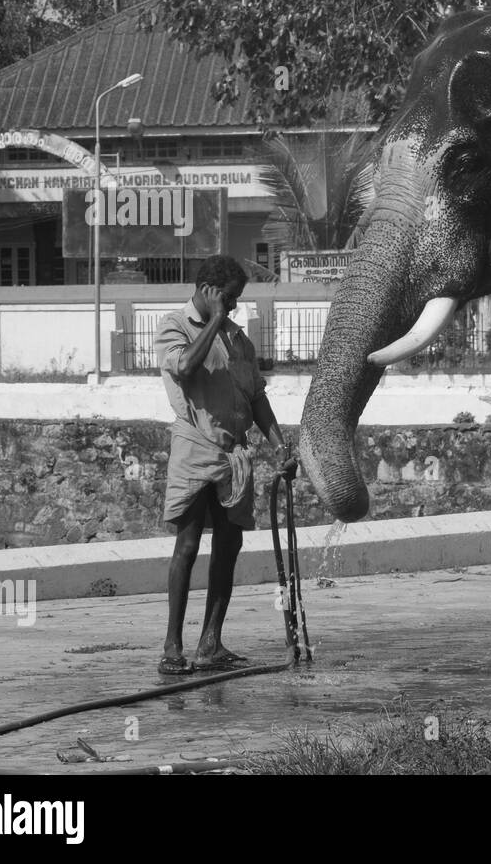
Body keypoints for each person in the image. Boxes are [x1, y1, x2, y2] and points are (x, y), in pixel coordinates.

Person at [154, 255, 296, 674]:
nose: (233, 307)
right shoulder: (174, 326)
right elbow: (184, 367)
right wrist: (215, 320)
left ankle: (210, 643)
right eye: (230, 299)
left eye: (235, 300)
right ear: (209, 291)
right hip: (195, 448)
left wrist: (279, 445)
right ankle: (172, 646)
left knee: (228, 546)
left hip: (234, 454)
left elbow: (256, 398)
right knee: (189, 544)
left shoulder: (239, 340)